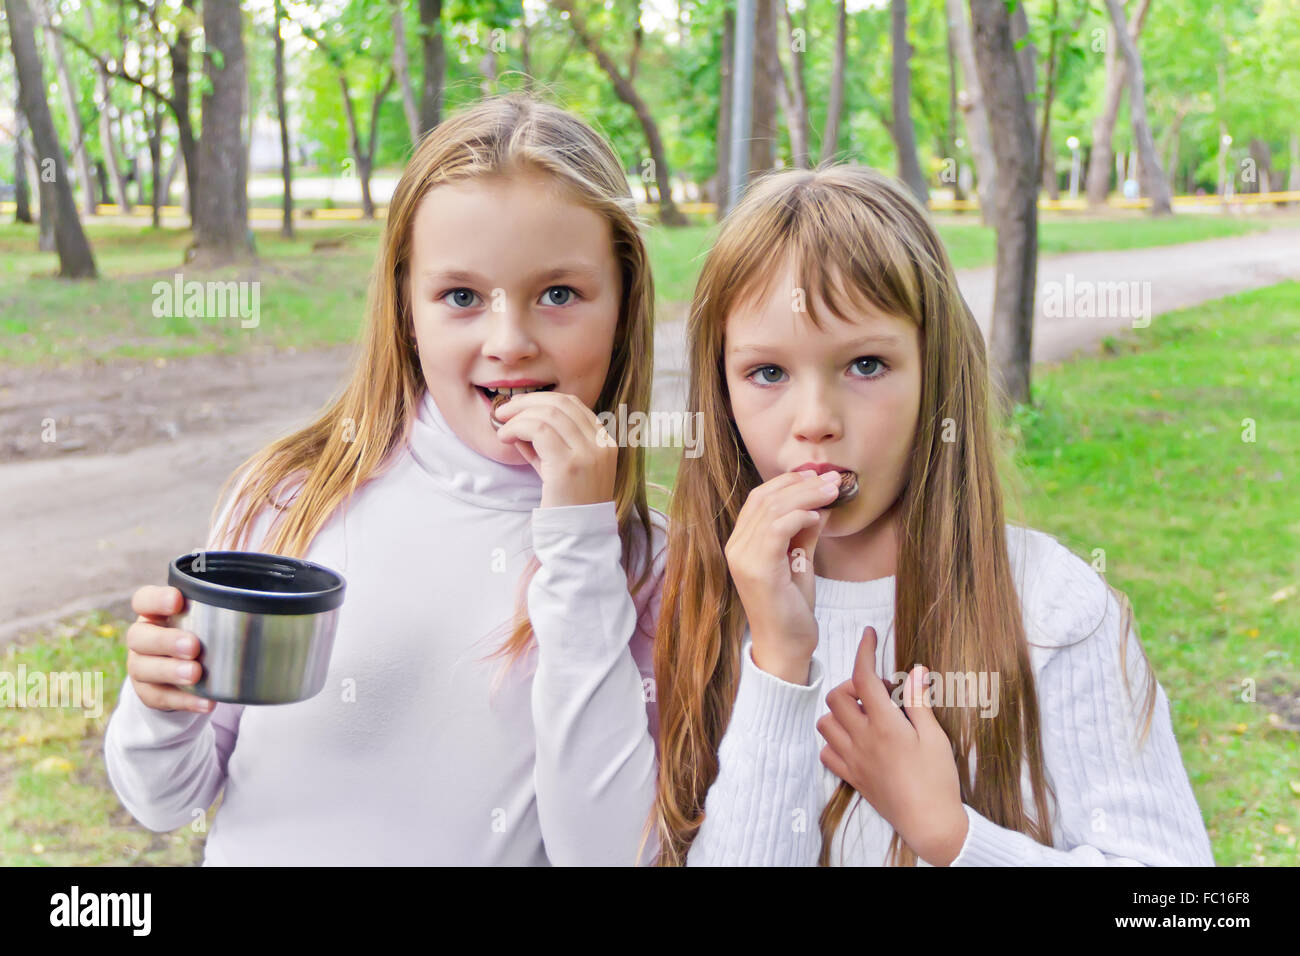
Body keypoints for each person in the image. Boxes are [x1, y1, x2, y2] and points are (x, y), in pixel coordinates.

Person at [104, 93, 665, 866]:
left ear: (624, 302)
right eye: (461, 297)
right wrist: (161, 707)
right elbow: (166, 798)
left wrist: (578, 542)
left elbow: (607, 853)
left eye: (558, 295)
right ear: (407, 307)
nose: (509, 343)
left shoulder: (643, 568)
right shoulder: (293, 500)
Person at [649, 164, 1215, 867]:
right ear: (720, 390)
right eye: (768, 373)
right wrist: (779, 665)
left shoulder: (1050, 608)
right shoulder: (691, 600)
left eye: (865, 365)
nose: (815, 422)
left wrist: (952, 836)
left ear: (935, 372)